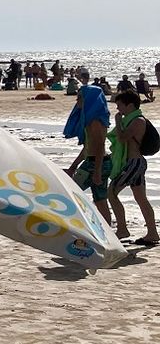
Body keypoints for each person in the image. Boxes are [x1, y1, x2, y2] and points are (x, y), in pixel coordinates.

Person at [107, 90, 159, 246]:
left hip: (134, 163)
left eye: (119, 105)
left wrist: (117, 121)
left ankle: (123, 229)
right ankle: (152, 233)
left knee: (112, 192)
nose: (118, 109)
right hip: (134, 163)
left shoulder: (137, 120)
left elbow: (122, 138)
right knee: (141, 198)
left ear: (129, 105)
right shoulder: (132, 119)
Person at [64, 85, 115, 227]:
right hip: (96, 161)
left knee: (72, 192)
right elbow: (88, 147)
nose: (77, 100)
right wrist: (73, 166)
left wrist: (97, 171)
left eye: (80, 97)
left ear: (90, 99)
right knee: (100, 199)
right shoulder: (90, 119)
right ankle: (106, 229)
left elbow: (99, 147)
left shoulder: (96, 121)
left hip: (96, 163)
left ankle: (79, 225)